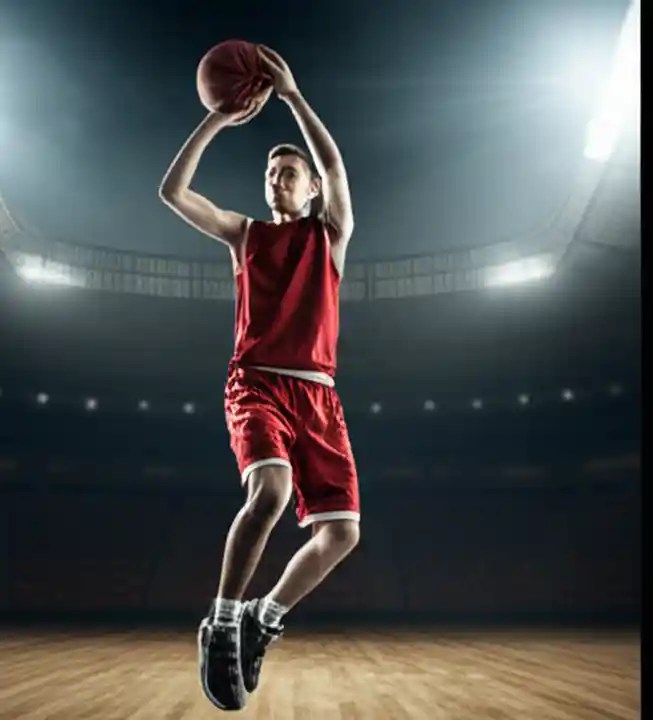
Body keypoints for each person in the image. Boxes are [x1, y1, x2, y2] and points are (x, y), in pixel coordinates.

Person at [159, 45, 359, 711]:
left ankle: (262, 618)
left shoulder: (330, 233)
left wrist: (295, 98)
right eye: (271, 170)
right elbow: (173, 192)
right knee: (270, 491)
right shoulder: (246, 236)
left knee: (343, 533)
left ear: (310, 189)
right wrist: (219, 117)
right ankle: (221, 621)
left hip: (320, 395)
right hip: (258, 384)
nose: (277, 177)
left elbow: (332, 161)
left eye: (289, 170)